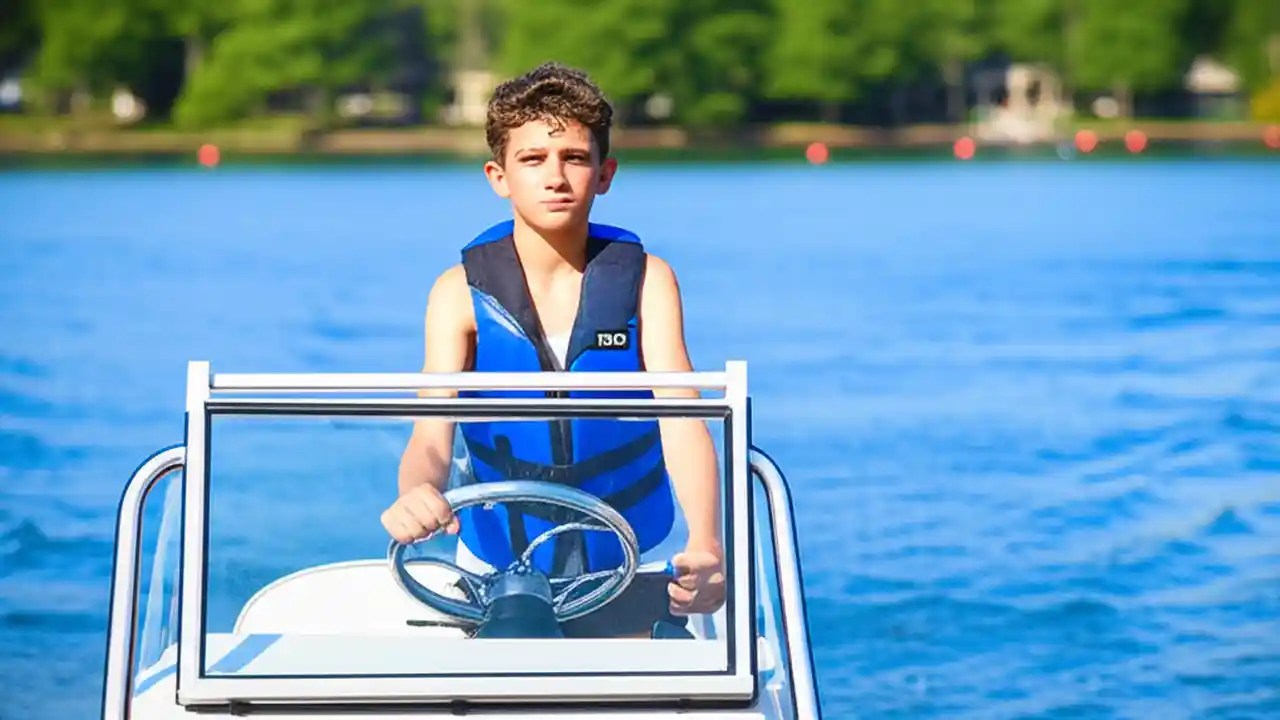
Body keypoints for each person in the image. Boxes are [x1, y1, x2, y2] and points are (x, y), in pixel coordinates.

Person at [381, 62, 724, 638]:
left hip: (631, 554)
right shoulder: (457, 296)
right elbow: (429, 435)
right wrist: (416, 492)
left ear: (605, 172)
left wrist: (707, 541)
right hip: (496, 566)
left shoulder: (647, 281)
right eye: (533, 159)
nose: (555, 177)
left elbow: (682, 417)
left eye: (574, 157)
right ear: (498, 175)